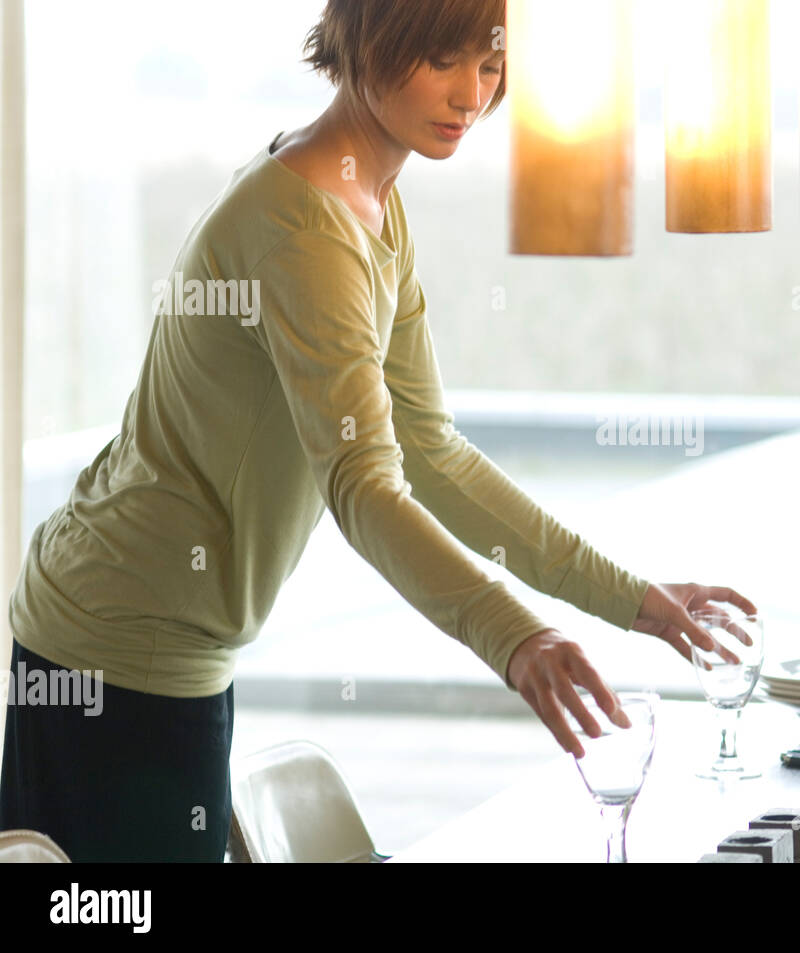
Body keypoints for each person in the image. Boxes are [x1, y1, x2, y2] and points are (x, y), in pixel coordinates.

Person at [0, 0, 756, 862]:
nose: (471, 95)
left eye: (488, 64)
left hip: (171, 638)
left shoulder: (373, 206)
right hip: (114, 643)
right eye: (442, 59)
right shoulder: (305, 231)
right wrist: (516, 637)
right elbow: (365, 485)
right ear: (366, 37)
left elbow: (432, 453)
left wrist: (634, 599)